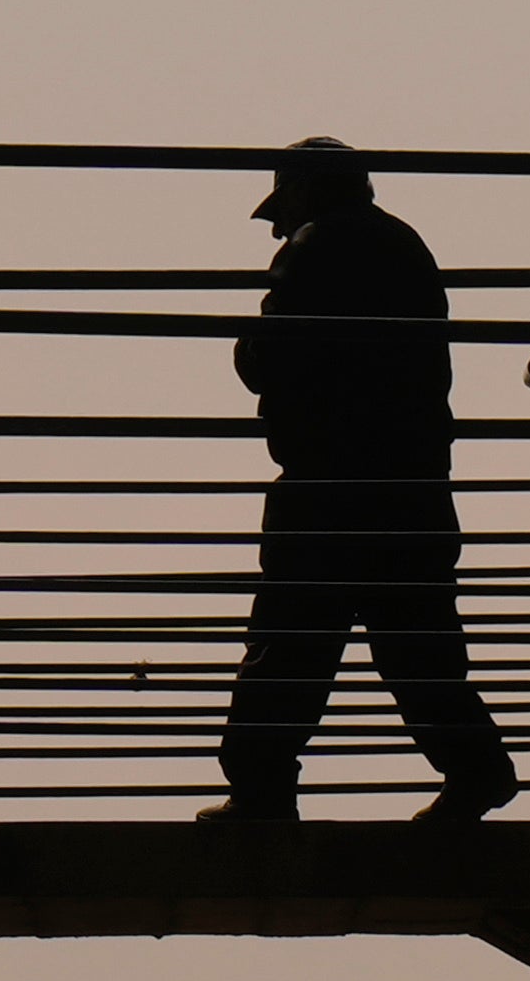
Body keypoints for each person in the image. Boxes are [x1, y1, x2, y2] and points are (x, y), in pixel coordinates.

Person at [213, 141, 514, 825]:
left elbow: (269, 355)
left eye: (281, 204)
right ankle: (476, 769)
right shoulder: (403, 245)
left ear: (306, 191)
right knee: (417, 642)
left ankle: (261, 790)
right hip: (411, 484)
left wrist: (247, 344)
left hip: (326, 484)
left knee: (289, 641)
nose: (274, 225)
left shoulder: (316, 246)